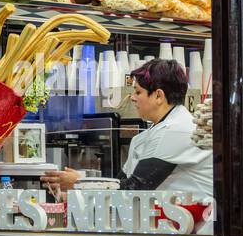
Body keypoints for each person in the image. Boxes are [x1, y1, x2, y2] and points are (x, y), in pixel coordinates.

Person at [42, 59, 211, 199]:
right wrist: (76, 194)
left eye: (138, 92)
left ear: (158, 96)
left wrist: (80, 182)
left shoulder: (178, 129)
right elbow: (120, 184)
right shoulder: (145, 137)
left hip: (194, 229)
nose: (132, 98)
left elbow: (135, 189)